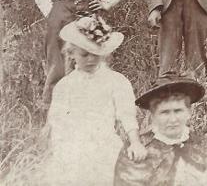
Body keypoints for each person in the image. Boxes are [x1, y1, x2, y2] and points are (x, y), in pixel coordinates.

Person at [45, 13, 141, 186]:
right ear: (71, 53)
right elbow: (57, 121)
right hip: (74, 148)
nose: (90, 60)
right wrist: (60, 151)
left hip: (105, 147)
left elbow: (126, 115)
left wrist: (135, 142)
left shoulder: (116, 81)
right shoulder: (65, 86)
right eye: (84, 55)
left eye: (95, 55)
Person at [113, 75, 207, 185]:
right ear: (153, 116)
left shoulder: (200, 143)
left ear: (188, 112)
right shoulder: (138, 148)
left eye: (178, 111)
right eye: (165, 112)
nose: (173, 119)